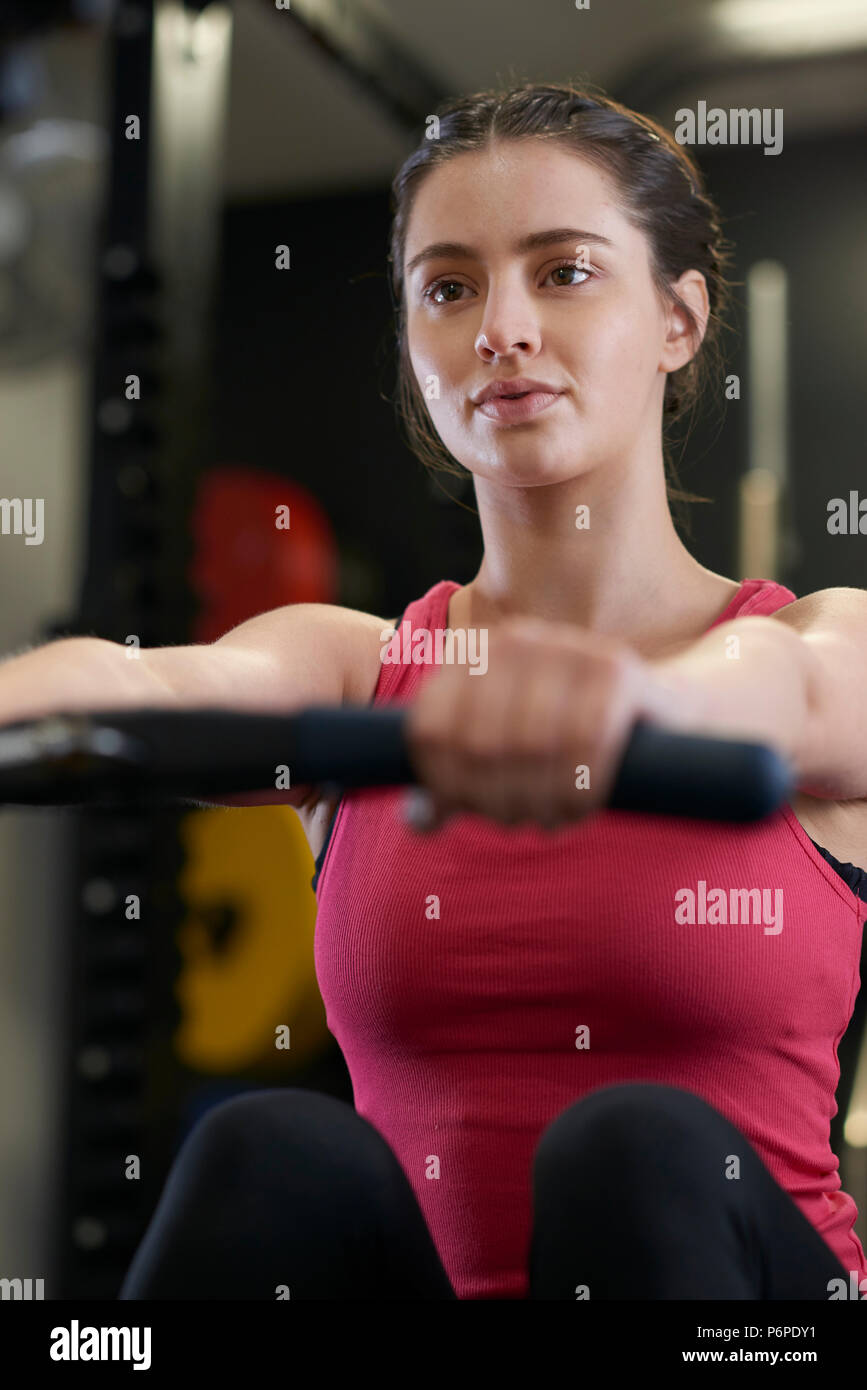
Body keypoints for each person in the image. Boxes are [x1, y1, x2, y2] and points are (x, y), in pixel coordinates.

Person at [3, 83, 867, 1300]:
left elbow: (773, 686)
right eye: (449, 287)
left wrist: (615, 706)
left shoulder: (828, 645)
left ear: (678, 319)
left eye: (563, 271)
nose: (499, 327)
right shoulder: (362, 669)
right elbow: (133, 684)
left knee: (635, 1145)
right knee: (271, 1150)